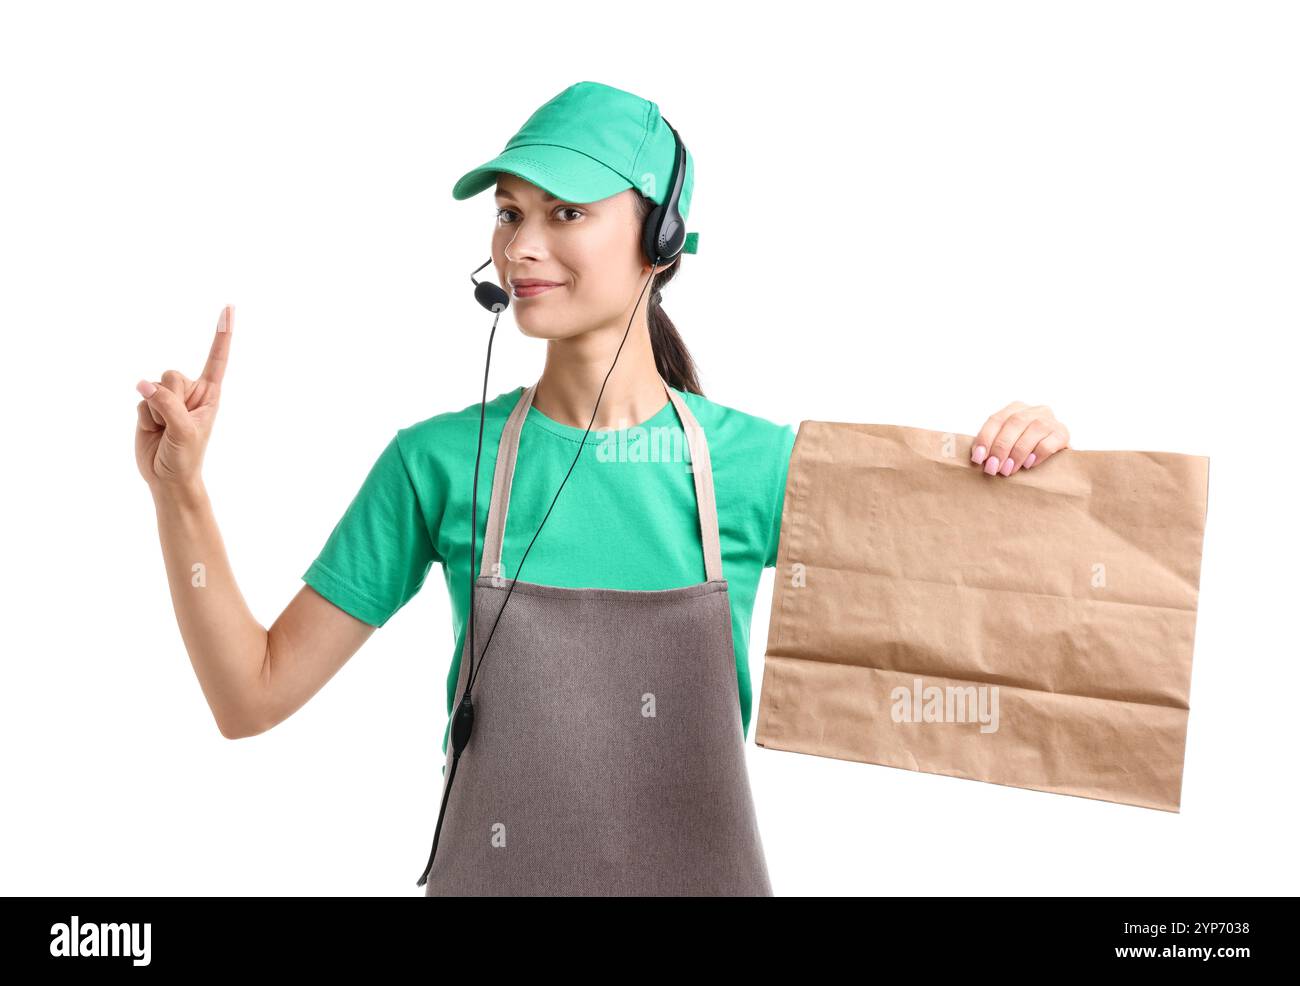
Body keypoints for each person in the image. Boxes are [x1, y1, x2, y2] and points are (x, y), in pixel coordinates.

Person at [134, 81, 1072, 895]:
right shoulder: (436, 462)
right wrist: (181, 496)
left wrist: (1030, 462)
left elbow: (1004, 610)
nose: (523, 247)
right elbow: (249, 698)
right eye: (510, 213)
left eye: (567, 212)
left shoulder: (757, 467)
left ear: (661, 238)